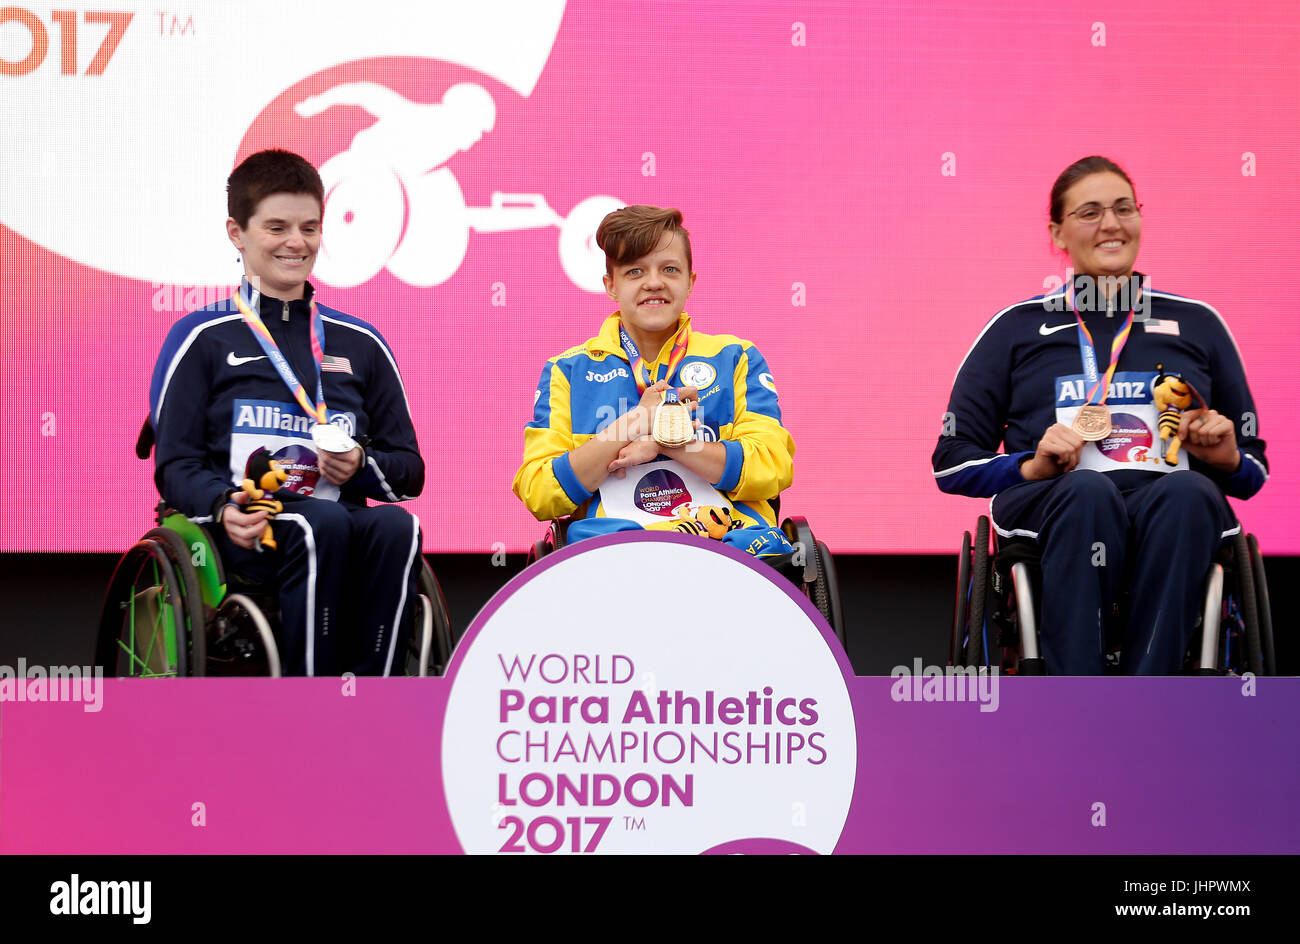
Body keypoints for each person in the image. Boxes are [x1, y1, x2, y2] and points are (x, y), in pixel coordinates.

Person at [932, 156, 1268, 675]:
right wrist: (1031, 466)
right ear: (1057, 232)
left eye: (1123, 208)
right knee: (1088, 492)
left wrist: (1226, 459)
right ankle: (1080, 699)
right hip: (1056, 505)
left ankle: (1147, 696)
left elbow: (1253, 473)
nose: (1111, 224)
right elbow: (951, 463)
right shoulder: (1016, 328)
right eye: (1089, 212)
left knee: (1190, 493)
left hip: (1172, 507)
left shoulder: (1196, 323)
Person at [149, 149, 425, 676]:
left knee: (396, 529)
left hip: (337, 523)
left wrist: (361, 464)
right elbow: (175, 465)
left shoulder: (361, 343)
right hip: (243, 531)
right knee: (319, 523)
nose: (296, 242)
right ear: (238, 232)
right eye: (276, 227)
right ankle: (310, 708)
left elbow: (410, 473)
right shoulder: (201, 337)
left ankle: (378, 698)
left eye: (309, 227)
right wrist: (225, 506)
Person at [513, 205, 795, 551]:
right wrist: (633, 423)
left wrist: (667, 441)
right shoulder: (569, 370)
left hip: (729, 546)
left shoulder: (736, 357)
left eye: (670, 269)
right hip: (615, 556)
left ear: (690, 282)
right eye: (635, 271)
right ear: (611, 285)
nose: (654, 282)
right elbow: (541, 493)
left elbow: (772, 468)